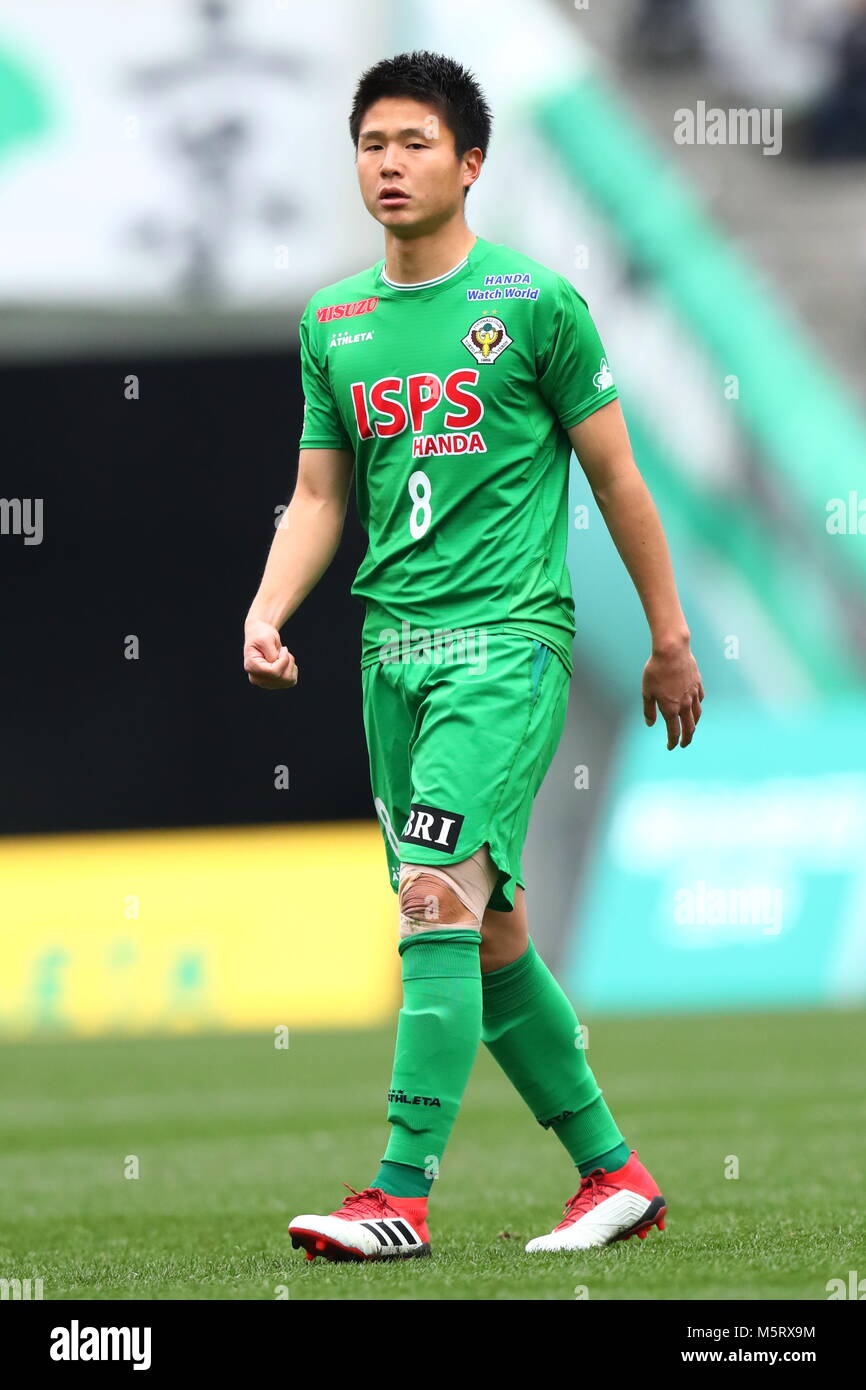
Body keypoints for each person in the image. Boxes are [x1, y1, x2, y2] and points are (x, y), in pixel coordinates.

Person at [243, 50, 703, 1261]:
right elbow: (317, 493)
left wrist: (665, 635)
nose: (388, 164)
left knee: (431, 902)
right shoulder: (331, 322)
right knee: (485, 931)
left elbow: (614, 476)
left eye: (414, 143)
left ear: (470, 162)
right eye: (371, 144)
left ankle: (397, 1195)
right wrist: (269, 605)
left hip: (503, 646)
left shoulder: (534, 303)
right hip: (387, 654)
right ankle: (615, 1175)